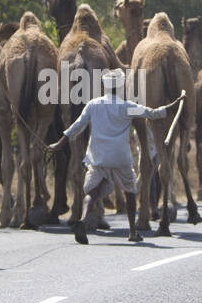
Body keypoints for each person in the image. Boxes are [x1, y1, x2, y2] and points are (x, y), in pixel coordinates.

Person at [47, 68, 181, 244]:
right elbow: (153, 114)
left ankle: (83, 219)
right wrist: (176, 104)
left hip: (98, 157)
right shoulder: (127, 107)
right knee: (130, 192)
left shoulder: (93, 105)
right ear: (120, 87)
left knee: (92, 193)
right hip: (120, 158)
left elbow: (77, 126)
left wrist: (59, 144)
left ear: (104, 87)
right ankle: (133, 232)